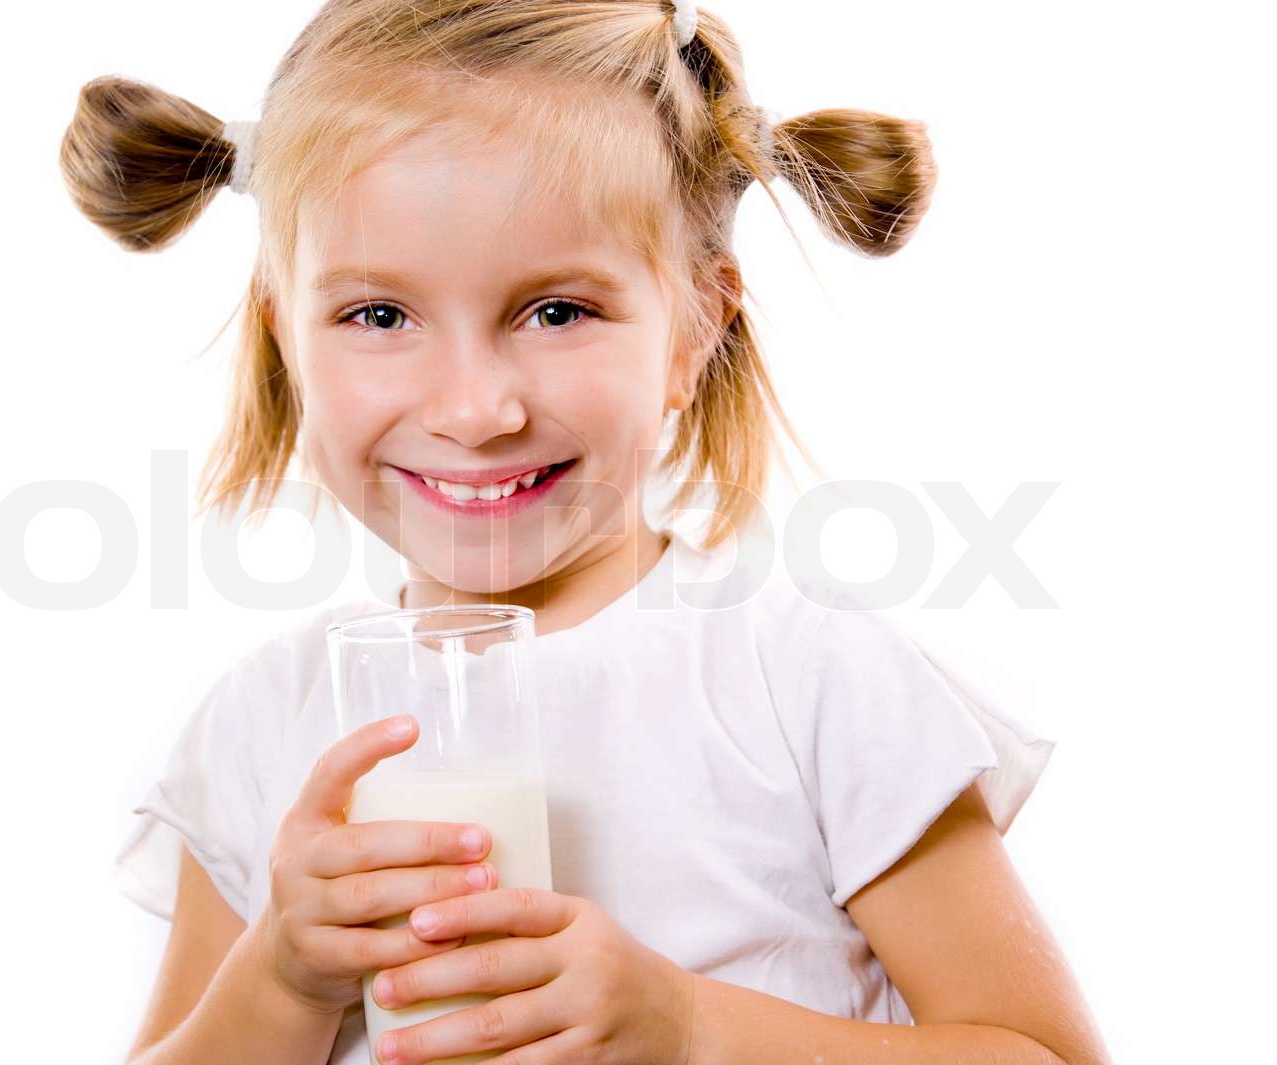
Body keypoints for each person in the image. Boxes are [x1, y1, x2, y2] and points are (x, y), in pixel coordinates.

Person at [59, 2, 1110, 1063]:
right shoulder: (266, 726)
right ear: (285, 335)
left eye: (556, 311)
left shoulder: (804, 680)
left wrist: (691, 1026)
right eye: (378, 316)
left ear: (695, 330)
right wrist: (281, 980)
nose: (474, 410)